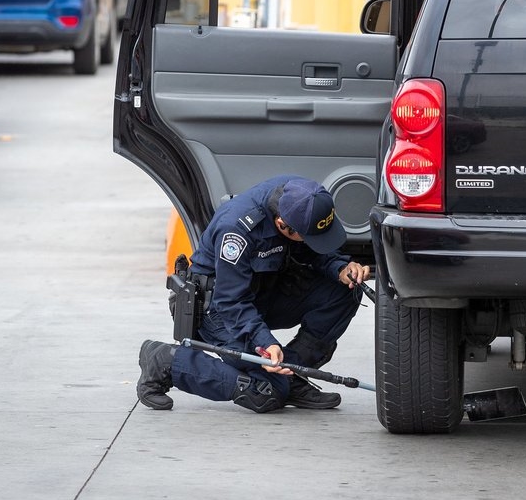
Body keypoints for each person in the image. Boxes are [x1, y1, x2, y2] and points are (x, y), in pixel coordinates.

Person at [137, 176, 371, 413]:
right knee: (266, 393)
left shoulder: (303, 197)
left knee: (345, 290)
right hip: (219, 311)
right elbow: (231, 302)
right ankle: (167, 361)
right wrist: (264, 343)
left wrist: (341, 268)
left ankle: (291, 375)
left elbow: (313, 247)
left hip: (263, 292)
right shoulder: (236, 231)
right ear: (282, 224)